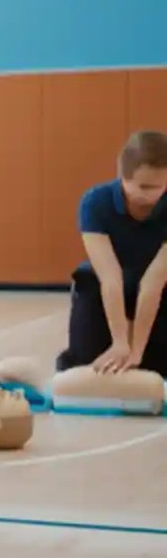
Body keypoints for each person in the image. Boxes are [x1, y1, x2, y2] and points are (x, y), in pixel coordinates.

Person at [56, 130, 167, 376]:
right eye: (142, 187)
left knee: (155, 364)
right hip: (106, 284)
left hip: (156, 287)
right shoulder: (95, 202)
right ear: (122, 179)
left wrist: (137, 351)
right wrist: (119, 342)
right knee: (87, 361)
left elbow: (153, 283)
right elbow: (110, 277)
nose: (150, 195)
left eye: (159, 187)